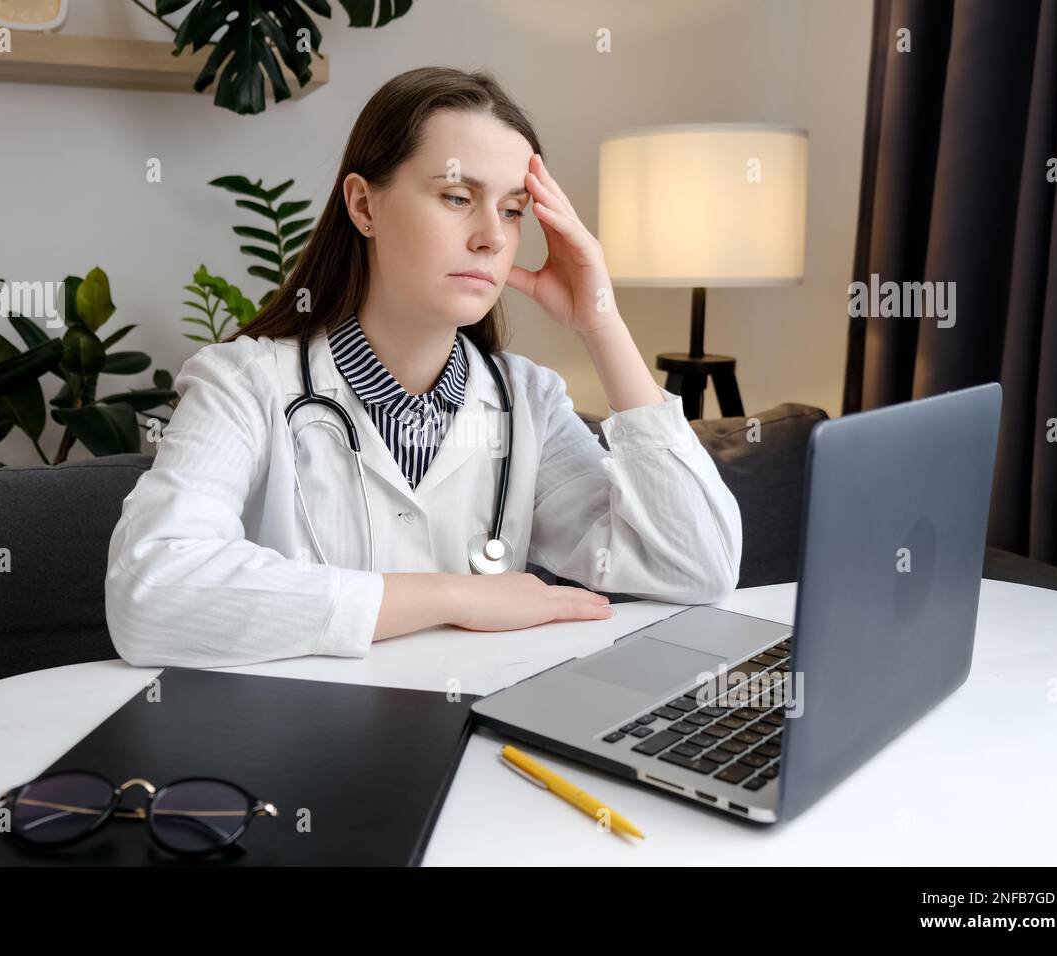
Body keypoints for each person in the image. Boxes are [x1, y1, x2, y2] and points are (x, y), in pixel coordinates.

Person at [105, 66, 742, 668]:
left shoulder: (529, 403)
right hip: (302, 747)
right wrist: (456, 596)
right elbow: (151, 592)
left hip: (477, 747)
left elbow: (697, 565)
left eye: (514, 210)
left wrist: (600, 322)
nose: (491, 235)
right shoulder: (243, 383)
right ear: (364, 206)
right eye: (458, 196)